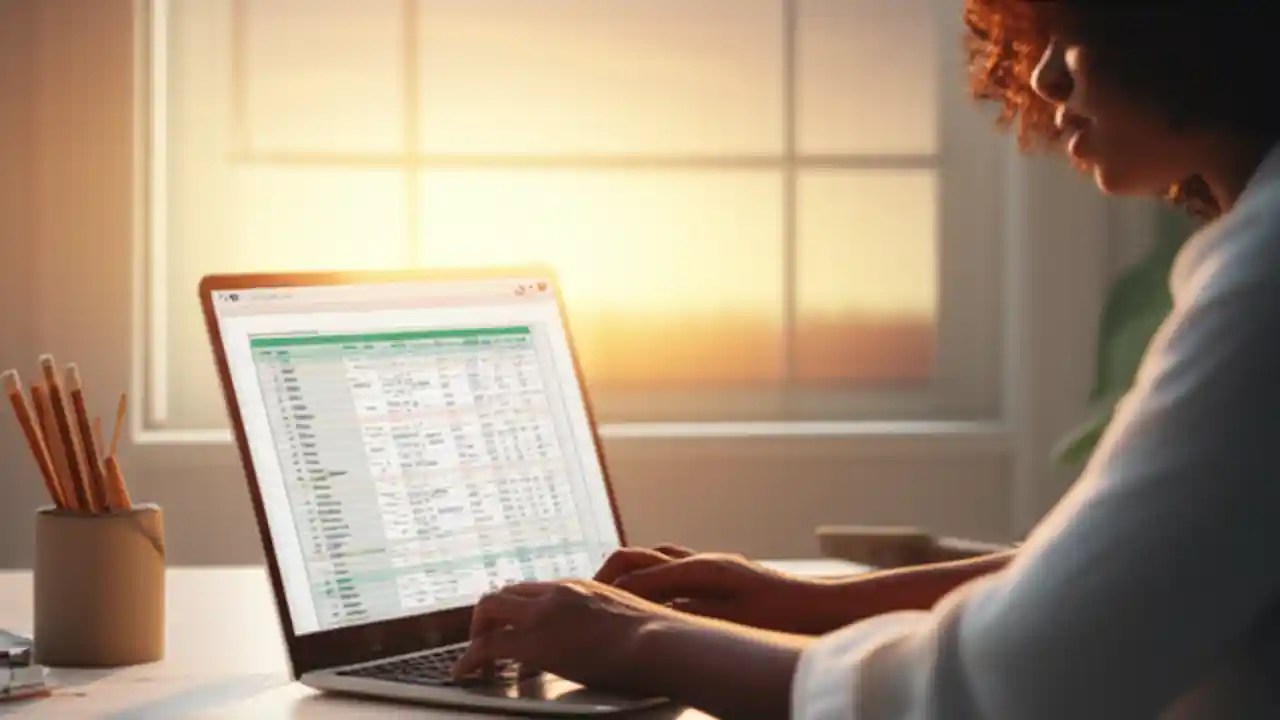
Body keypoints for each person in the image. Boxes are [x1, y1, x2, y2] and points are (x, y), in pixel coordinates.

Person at [454, 3, 1280, 717]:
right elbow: (1138, 577)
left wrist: (638, 639)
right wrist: (804, 603)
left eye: (1075, 29)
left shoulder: (1266, 276)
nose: (1042, 80)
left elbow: (1000, 694)